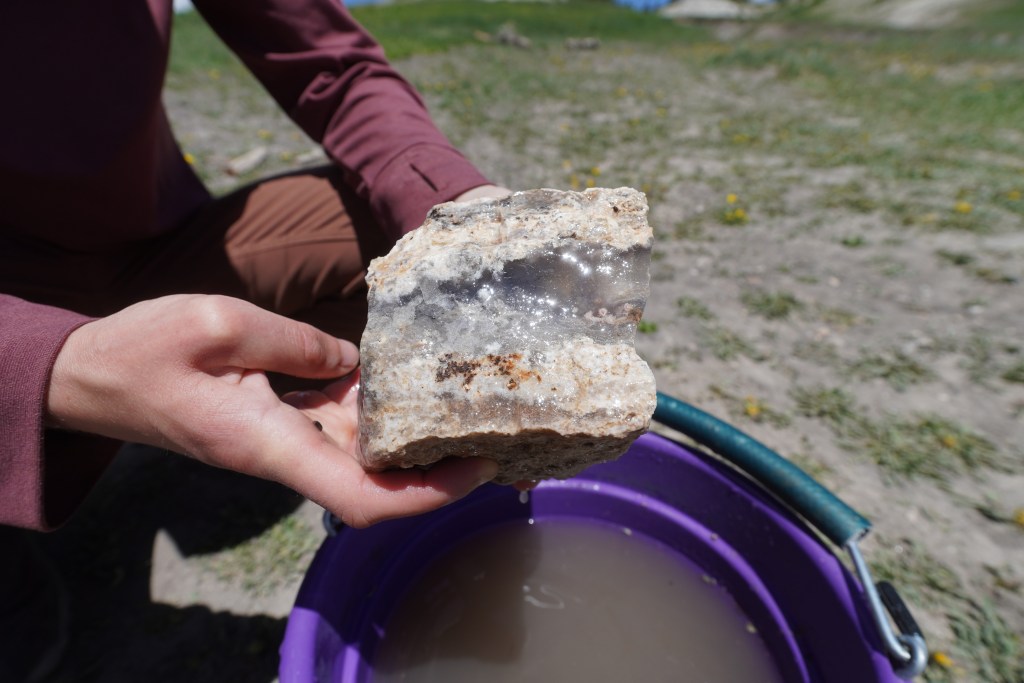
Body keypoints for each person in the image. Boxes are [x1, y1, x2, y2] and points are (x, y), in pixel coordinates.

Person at [1, 1, 507, 678]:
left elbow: (332, 65)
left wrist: (457, 200)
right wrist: (54, 364)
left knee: (401, 228)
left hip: (154, 248)